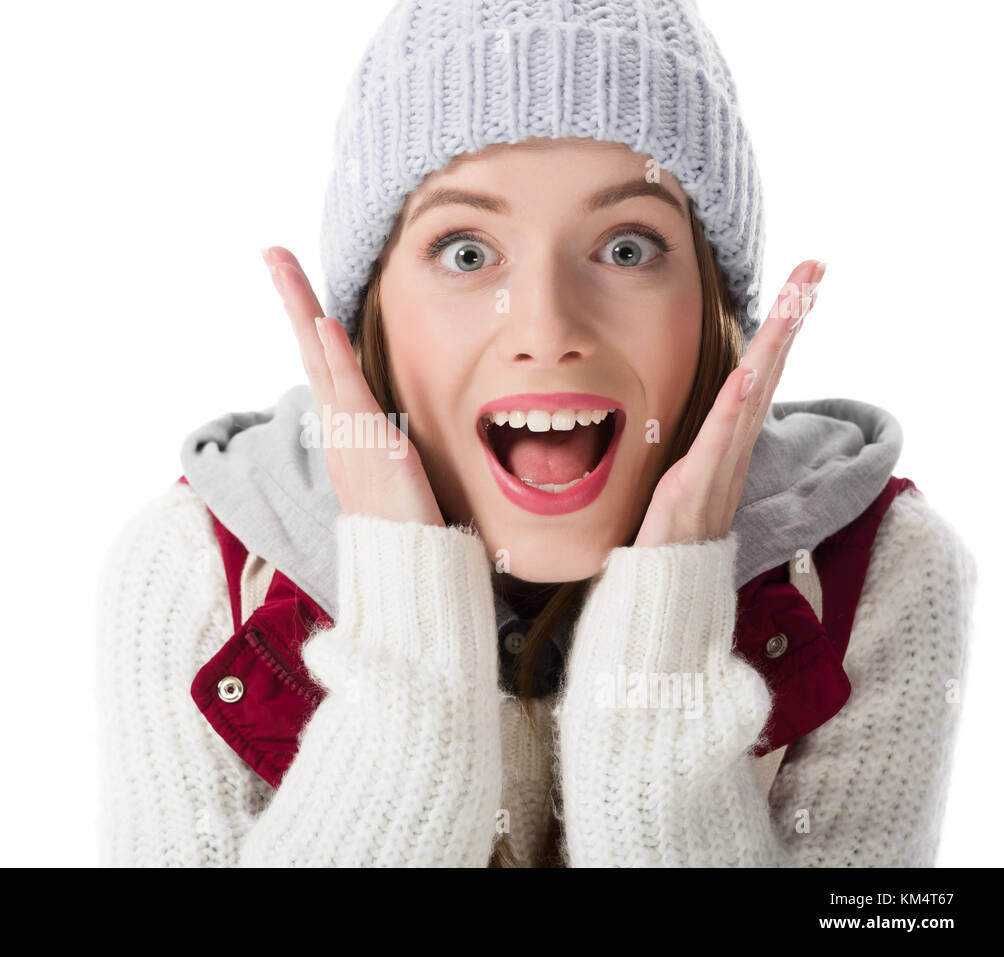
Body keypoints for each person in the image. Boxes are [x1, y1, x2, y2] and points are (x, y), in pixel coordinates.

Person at [95, 0, 977, 867]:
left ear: (714, 308)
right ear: (372, 314)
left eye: (628, 247)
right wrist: (406, 637)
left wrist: (664, 644)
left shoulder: (879, 570)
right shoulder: (197, 573)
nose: (549, 326)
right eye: (468, 252)